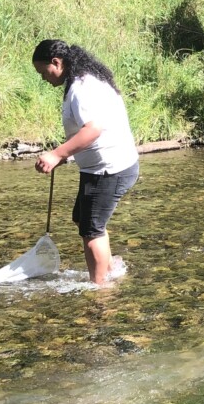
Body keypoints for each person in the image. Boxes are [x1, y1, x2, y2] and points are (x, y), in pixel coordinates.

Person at [31, 39, 139, 287]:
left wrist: (57, 154)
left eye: (42, 71)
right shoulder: (83, 79)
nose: (43, 78)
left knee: (91, 231)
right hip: (104, 166)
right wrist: (64, 154)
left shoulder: (82, 87)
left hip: (108, 169)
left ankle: (101, 289)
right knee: (83, 219)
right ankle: (109, 268)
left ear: (56, 63)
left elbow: (93, 130)